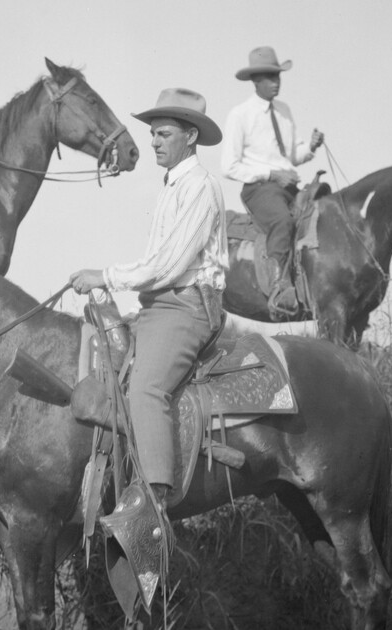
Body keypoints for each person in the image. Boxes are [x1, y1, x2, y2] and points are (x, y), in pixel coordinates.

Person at [70, 88, 228, 510]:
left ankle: (154, 497)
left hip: (188, 307)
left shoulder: (199, 187)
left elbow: (166, 265)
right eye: (153, 134)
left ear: (190, 136)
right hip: (161, 305)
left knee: (146, 388)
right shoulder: (172, 185)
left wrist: (104, 275)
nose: (154, 142)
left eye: (163, 134)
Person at [220, 46, 324, 316]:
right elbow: (228, 166)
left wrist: (310, 148)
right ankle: (279, 288)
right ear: (255, 81)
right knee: (282, 222)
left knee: (320, 218)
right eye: (269, 77)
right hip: (260, 189)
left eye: (277, 76)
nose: (275, 82)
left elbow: (290, 155)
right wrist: (271, 174)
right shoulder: (240, 115)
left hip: (289, 187)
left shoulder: (284, 111)